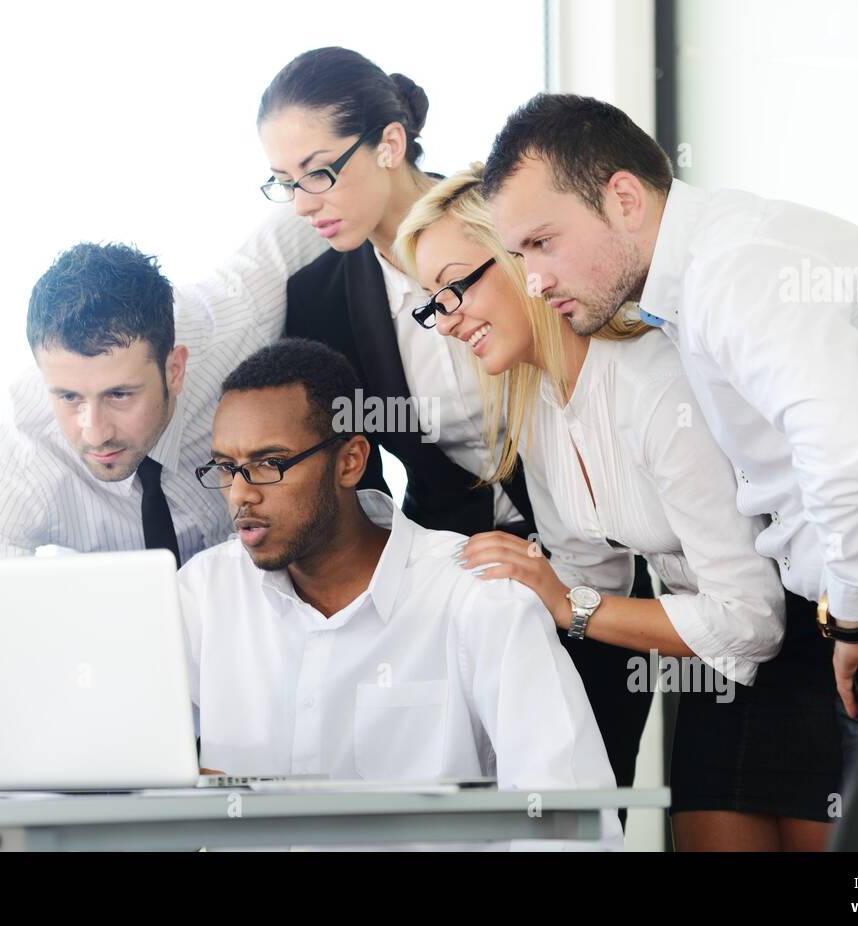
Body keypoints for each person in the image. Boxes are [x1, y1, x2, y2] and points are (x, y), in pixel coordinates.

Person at [482, 92, 858, 850]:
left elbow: (846, 439)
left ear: (624, 197)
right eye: (520, 256)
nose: (534, 280)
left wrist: (856, 609)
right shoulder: (716, 261)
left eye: (543, 242)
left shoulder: (734, 272)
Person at [395, 164, 844, 850]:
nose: (447, 319)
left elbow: (750, 618)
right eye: (432, 303)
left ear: (520, 256)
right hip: (709, 658)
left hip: (808, 640)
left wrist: (563, 601)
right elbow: (589, 582)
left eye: (454, 286)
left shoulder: (652, 383)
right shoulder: (533, 408)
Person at [256, 47, 653, 796]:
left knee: (587, 807)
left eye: (318, 171)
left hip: (597, 571)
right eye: (285, 183)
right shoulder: (317, 296)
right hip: (457, 586)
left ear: (391, 143)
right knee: (466, 812)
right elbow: (357, 474)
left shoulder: (498, 221)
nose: (304, 202)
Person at [176, 337, 623, 849]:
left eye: (268, 464)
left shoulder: (478, 596)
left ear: (350, 461)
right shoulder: (203, 595)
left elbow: (573, 824)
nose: (240, 494)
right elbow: (116, 766)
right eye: (225, 468)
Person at [0, 212, 324, 562]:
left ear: (174, 369)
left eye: (119, 395)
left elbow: (327, 197)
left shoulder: (236, 323)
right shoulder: (13, 459)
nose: (95, 433)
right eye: (69, 397)